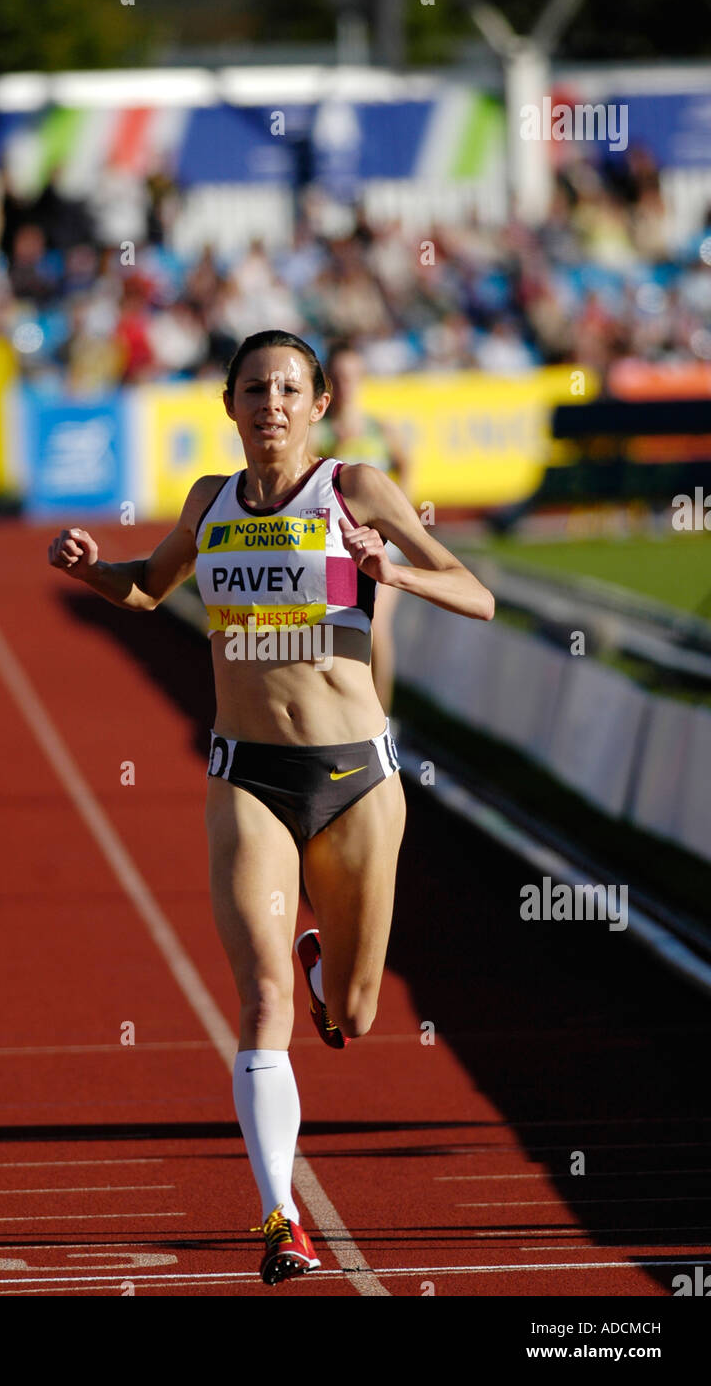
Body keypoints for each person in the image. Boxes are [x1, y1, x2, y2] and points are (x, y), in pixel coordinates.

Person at [47, 329, 495, 1286]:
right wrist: (93, 568)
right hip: (247, 773)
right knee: (262, 1004)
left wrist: (392, 574)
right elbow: (149, 587)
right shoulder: (210, 502)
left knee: (357, 1015)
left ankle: (327, 962)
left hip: (356, 781)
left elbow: (479, 594)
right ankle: (280, 1217)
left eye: (289, 389)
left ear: (319, 403)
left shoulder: (357, 489)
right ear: (229, 407)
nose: (271, 406)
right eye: (254, 390)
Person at [312, 340, 411, 714]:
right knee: (343, 631)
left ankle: (381, 719)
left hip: (382, 545)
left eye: (353, 375)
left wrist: (400, 513)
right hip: (337, 549)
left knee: (377, 627)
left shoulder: (379, 429)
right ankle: (344, 711)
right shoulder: (318, 435)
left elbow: (406, 464)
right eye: (339, 376)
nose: (347, 383)